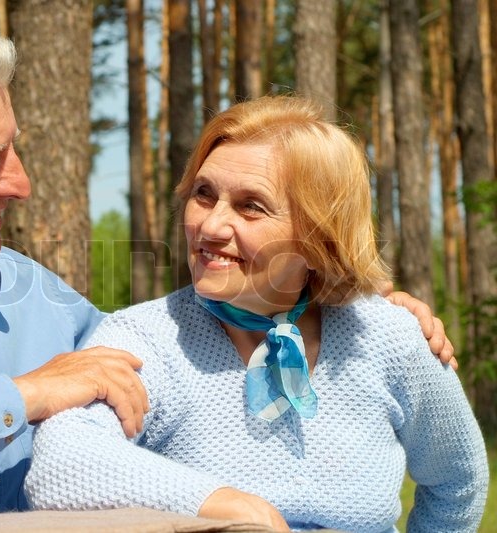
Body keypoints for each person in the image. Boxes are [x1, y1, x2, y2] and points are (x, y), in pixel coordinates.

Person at [0, 9, 451, 523]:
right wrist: (24, 395)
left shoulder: (47, 306)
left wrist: (350, 298)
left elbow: (198, 358)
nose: (21, 182)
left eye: (16, 147)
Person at [25, 96, 489, 532]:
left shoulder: (390, 336)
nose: (210, 226)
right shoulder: (147, 338)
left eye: (251, 206)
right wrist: (224, 505)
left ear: (318, 237)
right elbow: (59, 463)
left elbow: (458, 481)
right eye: (203, 194)